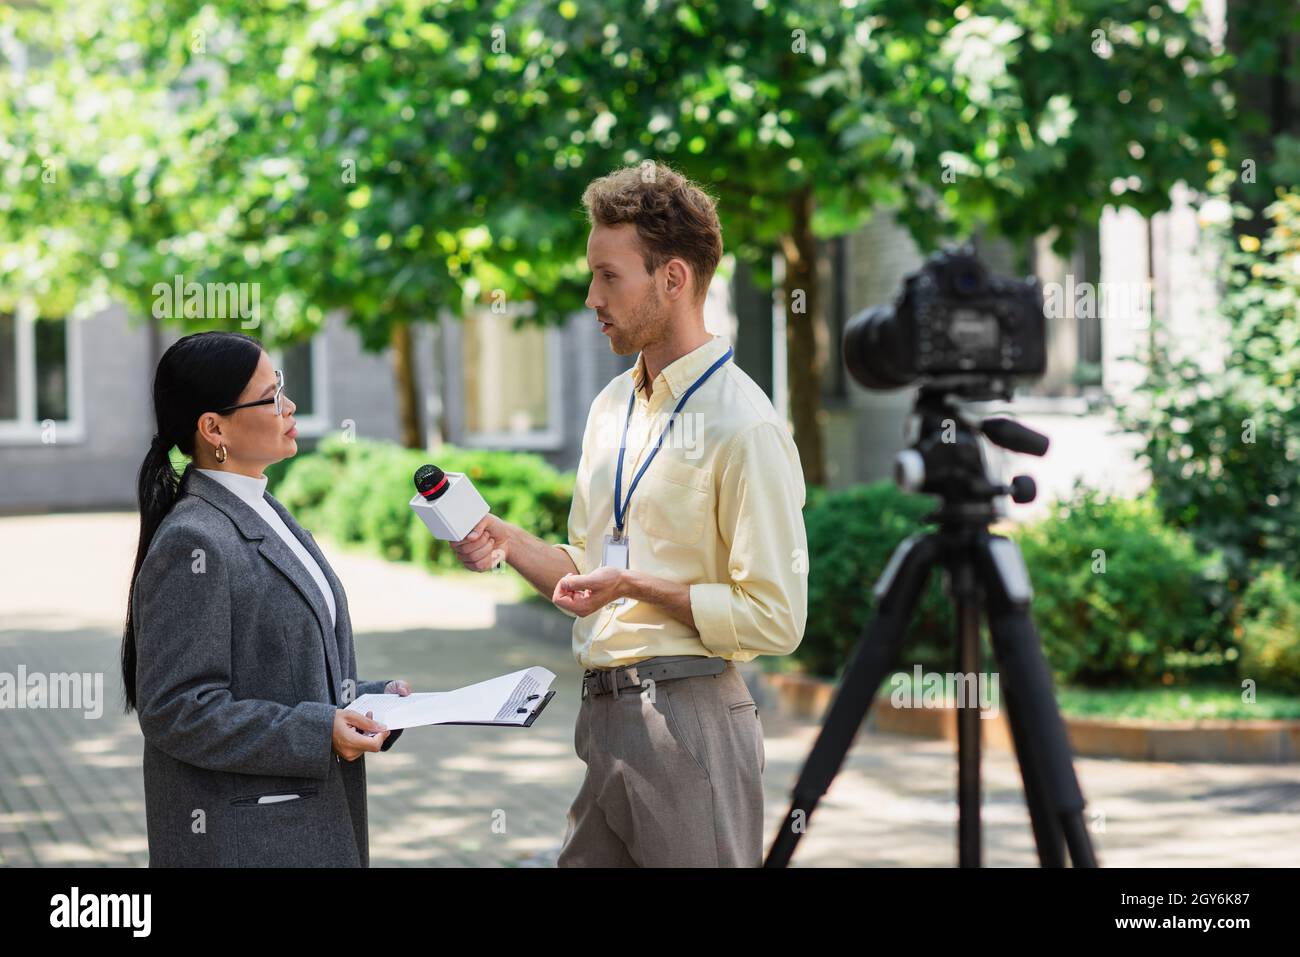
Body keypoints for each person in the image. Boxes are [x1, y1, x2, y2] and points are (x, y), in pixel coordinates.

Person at [452, 163, 808, 867]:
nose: (591, 297)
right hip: (604, 718)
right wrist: (509, 539)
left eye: (609, 277)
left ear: (673, 279)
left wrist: (638, 586)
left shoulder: (745, 426)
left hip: (691, 719)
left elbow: (777, 615)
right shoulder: (611, 407)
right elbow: (591, 574)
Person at [121, 330, 408, 867]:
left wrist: (366, 698)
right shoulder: (195, 539)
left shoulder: (264, 509)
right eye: (271, 395)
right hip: (246, 839)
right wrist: (318, 730)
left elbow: (278, 670)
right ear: (214, 428)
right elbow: (177, 708)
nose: (290, 406)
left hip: (304, 826)